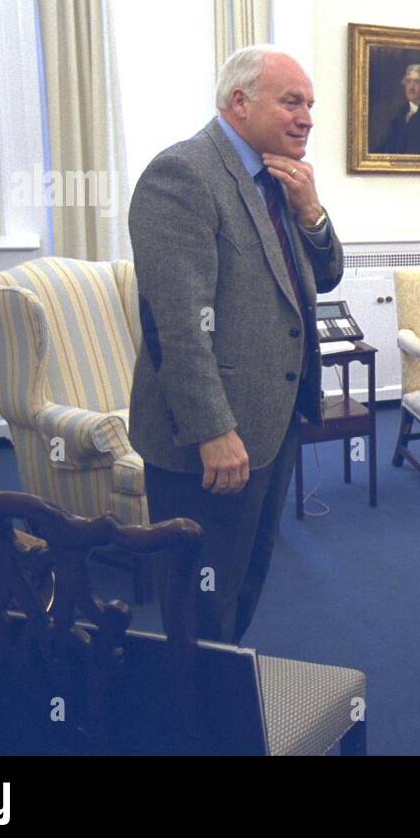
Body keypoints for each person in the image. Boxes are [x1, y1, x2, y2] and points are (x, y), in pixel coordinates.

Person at [128, 45, 343, 644]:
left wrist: (312, 212)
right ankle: (188, 716)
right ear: (240, 101)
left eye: (310, 105)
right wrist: (212, 431)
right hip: (211, 441)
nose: (306, 118)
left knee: (244, 582)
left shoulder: (279, 178)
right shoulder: (184, 174)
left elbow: (324, 277)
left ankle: (214, 690)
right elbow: (176, 324)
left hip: (270, 425)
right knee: (201, 597)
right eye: (292, 102)